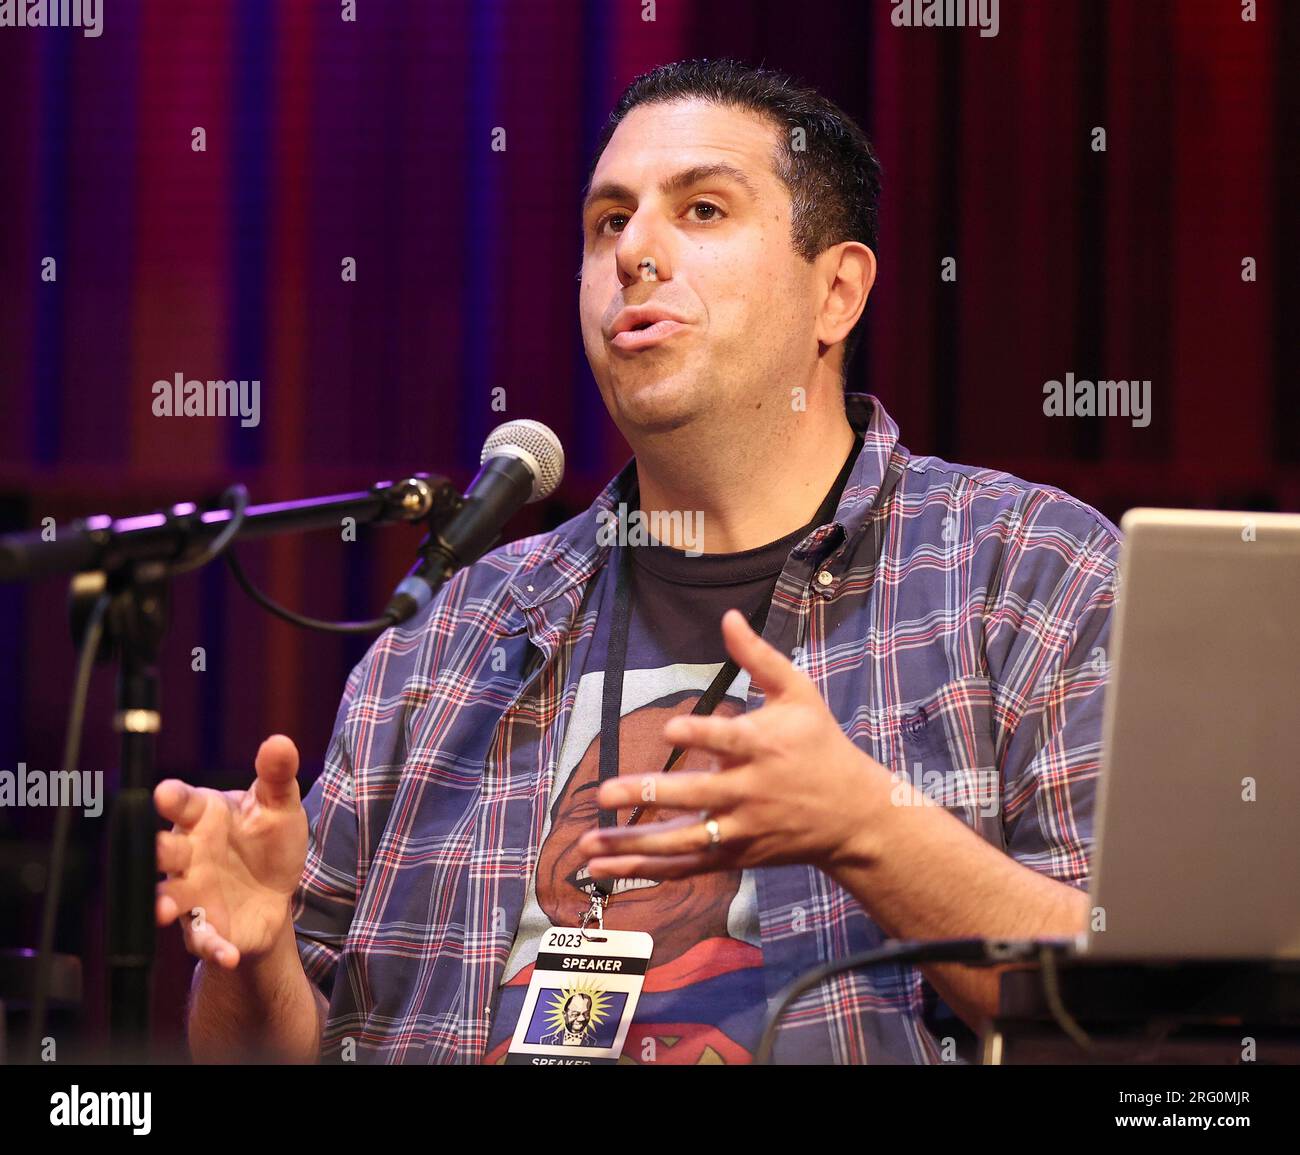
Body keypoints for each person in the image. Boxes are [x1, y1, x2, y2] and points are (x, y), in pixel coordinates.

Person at [155, 58, 1119, 1065]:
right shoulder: (455, 633)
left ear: (836, 293)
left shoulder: (1025, 573)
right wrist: (249, 956)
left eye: (700, 210)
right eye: (608, 222)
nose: (635, 253)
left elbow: (1146, 1014)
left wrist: (865, 828)